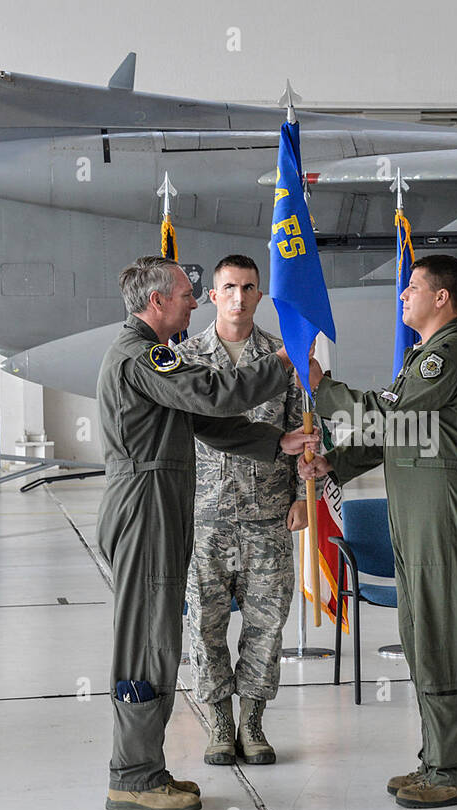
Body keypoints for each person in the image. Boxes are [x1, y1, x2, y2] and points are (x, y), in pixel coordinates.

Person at [97, 256, 316, 810]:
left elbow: (203, 421)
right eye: (185, 294)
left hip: (160, 503)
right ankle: (133, 776)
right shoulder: (141, 354)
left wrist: (275, 445)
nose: (195, 302)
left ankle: (145, 768)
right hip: (147, 506)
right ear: (156, 303)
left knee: (160, 633)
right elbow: (214, 394)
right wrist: (284, 362)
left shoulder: (153, 355)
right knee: (149, 638)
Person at [299, 255, 457, 809]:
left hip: (442, 505)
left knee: (443, 633)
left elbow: (389, 415)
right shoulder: (424, 355)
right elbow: (401, 431)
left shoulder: (448, 354)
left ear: (442, 299)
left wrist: (323, 388)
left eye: (412, 288)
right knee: (421, 631)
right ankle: (437, 758)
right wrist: (334, 463)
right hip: (417, 505)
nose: (402, 296)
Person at [176, 254, 313, 767]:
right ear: (213, 295)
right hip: (205, 516)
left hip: (269, 514)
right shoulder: (186, 358)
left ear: (260, 296)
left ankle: (253, 721)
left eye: (248, 287)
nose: (238, 296)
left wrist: (303, 498)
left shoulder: (284, 357)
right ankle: (219, 722)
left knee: (267, 623)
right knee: (205, 625)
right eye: (228, 287)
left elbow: (304, 433)